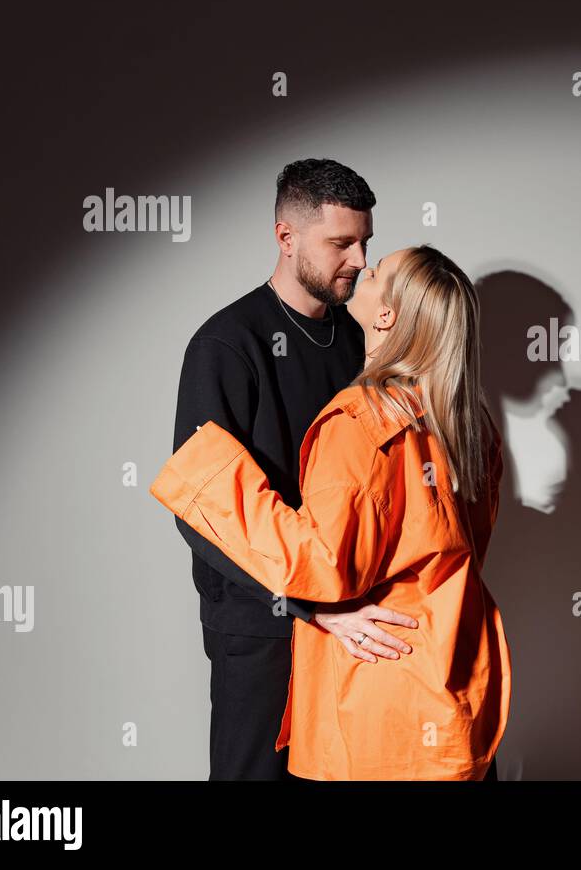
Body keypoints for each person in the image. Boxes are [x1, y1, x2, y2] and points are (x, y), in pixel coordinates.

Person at [152, 245, 511, 780]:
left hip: (376, 688)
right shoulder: (468, 422)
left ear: (386, 315)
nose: (363, 265)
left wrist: (208, 478)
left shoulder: (359, 419)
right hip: (453, 675)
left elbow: (323, 566)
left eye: (377, 269)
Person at [171, 158, 422, 780]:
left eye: (366, 242)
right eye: (341, 243)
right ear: (286, 236)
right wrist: (311, 608)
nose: (361, 260)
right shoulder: (226, 345)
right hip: (265, 630)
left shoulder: (361, 337)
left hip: (351, 618)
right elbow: (203, 510)